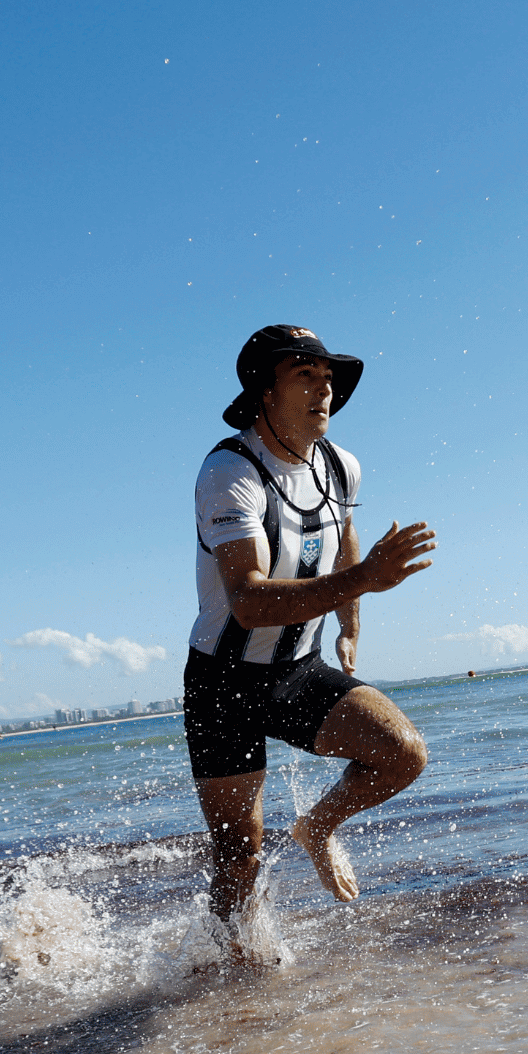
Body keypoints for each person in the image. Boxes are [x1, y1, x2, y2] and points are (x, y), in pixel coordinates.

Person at [186, 324, 436, 926]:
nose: (324, 390)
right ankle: (233, 989)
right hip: (224, 683)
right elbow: (248, 601)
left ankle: (317, 826)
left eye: (329, 379)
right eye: (306, 375)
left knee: (403, 754)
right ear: (264, 391)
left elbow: (343, 538)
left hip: (297, 670)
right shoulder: (230, 471)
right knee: (238, 856)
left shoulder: (340, 465)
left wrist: (350, 623)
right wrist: (365, 581)